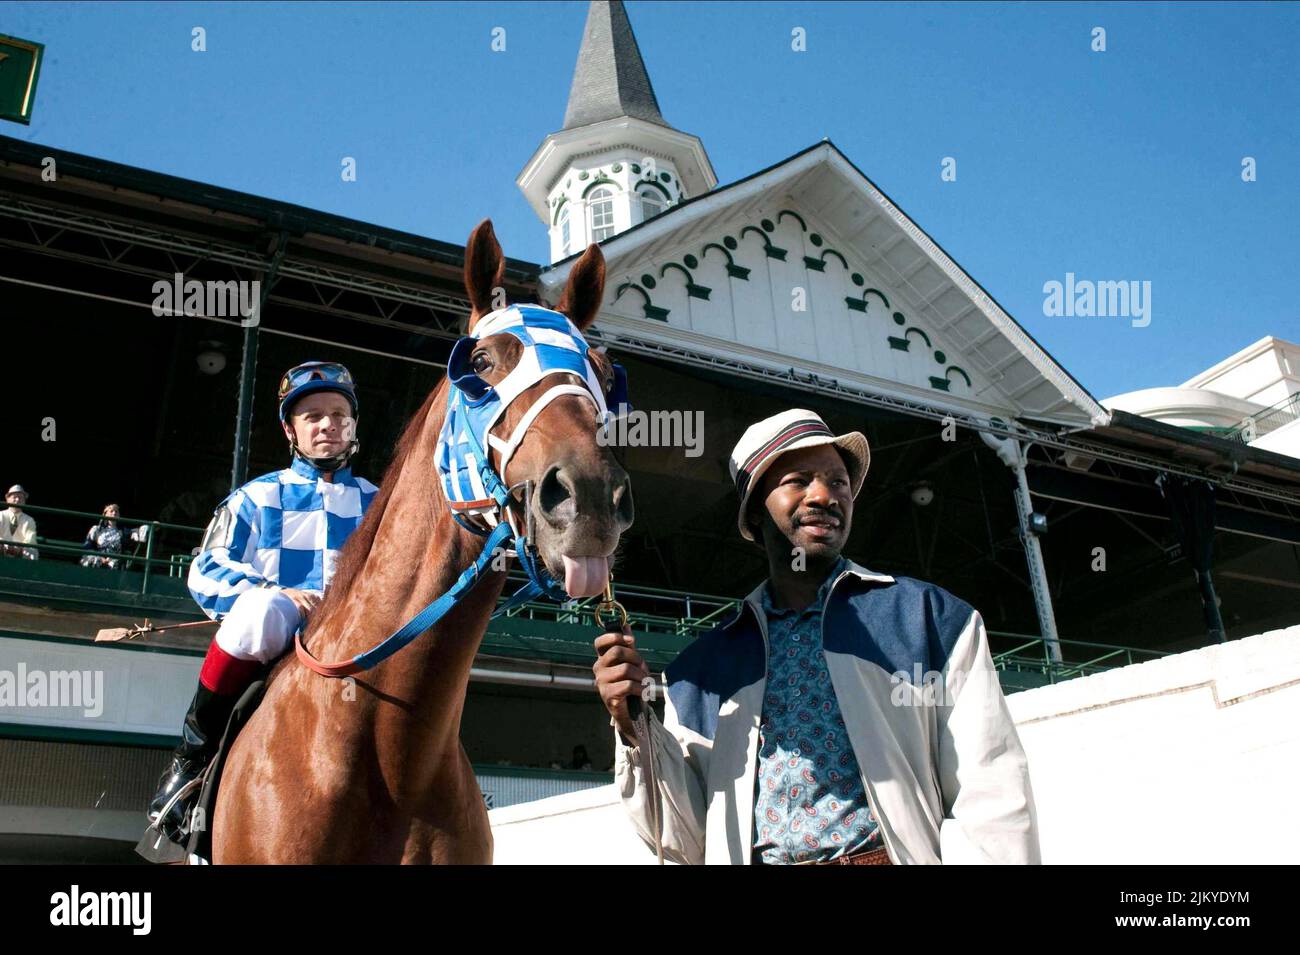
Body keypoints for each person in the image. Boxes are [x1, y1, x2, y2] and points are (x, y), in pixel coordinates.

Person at [593, 408, 1040, 865]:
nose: (825, 495)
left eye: (839, 481)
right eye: (798, 480)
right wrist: (633, 724)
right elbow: (684, 841)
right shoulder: (698, 673)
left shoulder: (930, 618)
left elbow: (994, 792)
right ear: (753, 508)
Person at [146, 361, 379, 844]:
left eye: (339, 414)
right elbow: (206, 570)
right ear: (290, 429)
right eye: (313, 416)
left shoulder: (381, 503)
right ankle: (190, 759)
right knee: (261, 612)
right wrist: (275, 593)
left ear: (354, 424)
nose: (328, 424)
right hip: (278, 641)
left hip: (363, 646)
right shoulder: (254, 498)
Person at [81, 503, 124, 569]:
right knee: (93, 560)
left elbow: (134, 532)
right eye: (111, 511)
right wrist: (100, 558)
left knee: (116, 563)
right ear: (106, 514)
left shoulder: (123, 531)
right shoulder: (97, 529)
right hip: (98, 556)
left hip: (114, 559)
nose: (114, 513)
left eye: (116, 511)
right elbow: (88, 547)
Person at [0, 485, 38, 560]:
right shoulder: (0, 515)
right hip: (2, 550)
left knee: (33, 551)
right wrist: (6, 546)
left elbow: (30, 540)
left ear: (24, 501)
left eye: (20, 497)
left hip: (20, 554)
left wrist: (18, 549)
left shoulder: (29, 520)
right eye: (14, 497)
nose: (17, 500)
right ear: (8, 499)